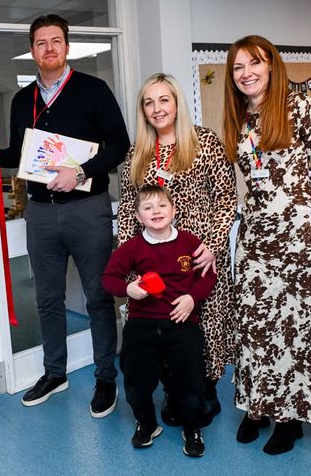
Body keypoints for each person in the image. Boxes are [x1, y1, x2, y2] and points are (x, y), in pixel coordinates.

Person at [0, 14, 130, 416]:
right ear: (32, 51)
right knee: (47, 300)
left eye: (56, 41)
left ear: (67, 47)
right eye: (41, 42)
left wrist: (81, 172)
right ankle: (55, 373)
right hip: (40, 214)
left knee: (98, 297)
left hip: (87, 210)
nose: (49, 48)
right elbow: (20, 154)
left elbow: (119, 145)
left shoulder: (93, 90)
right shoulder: (23, 100)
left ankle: (106, 377)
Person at [222, 35, 311, 455]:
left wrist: (305, 217)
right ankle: (258, 405)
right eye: (238, 67)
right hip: (255, 236)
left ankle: (290, 417)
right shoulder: (240, 118)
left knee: (293, 325)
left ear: (271, 65)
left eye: (254, 63)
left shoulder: (299, 108)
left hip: (298, 238)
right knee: (255, 323)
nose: (246, 73)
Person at [116, 73, 237, 426]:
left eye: (164, 100)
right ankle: (173, 388)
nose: (157, 109)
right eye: (149, 102)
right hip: (155, 260)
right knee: (164, 324)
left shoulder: (204, 142)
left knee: (205, 325)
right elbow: (127, 210)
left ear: (177, 103)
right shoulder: (137, 153)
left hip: (200, 257)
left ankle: (206, 389)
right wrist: (128, 261)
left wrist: (213, 245)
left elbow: (227, 198)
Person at [102, 184, 216, 457]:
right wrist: (128, 289)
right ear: (138, 216)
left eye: (162, 205)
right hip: (142, 322)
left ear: (173, 211)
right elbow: (109, 278)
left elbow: (209, 275)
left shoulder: (189, 242)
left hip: (182, 322)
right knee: (136, 378)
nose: (156, 211)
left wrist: (192, 298)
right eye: (148, 207)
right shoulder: (131, 247)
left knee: (190, 378)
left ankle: (192, 427)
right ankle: (146, 423)